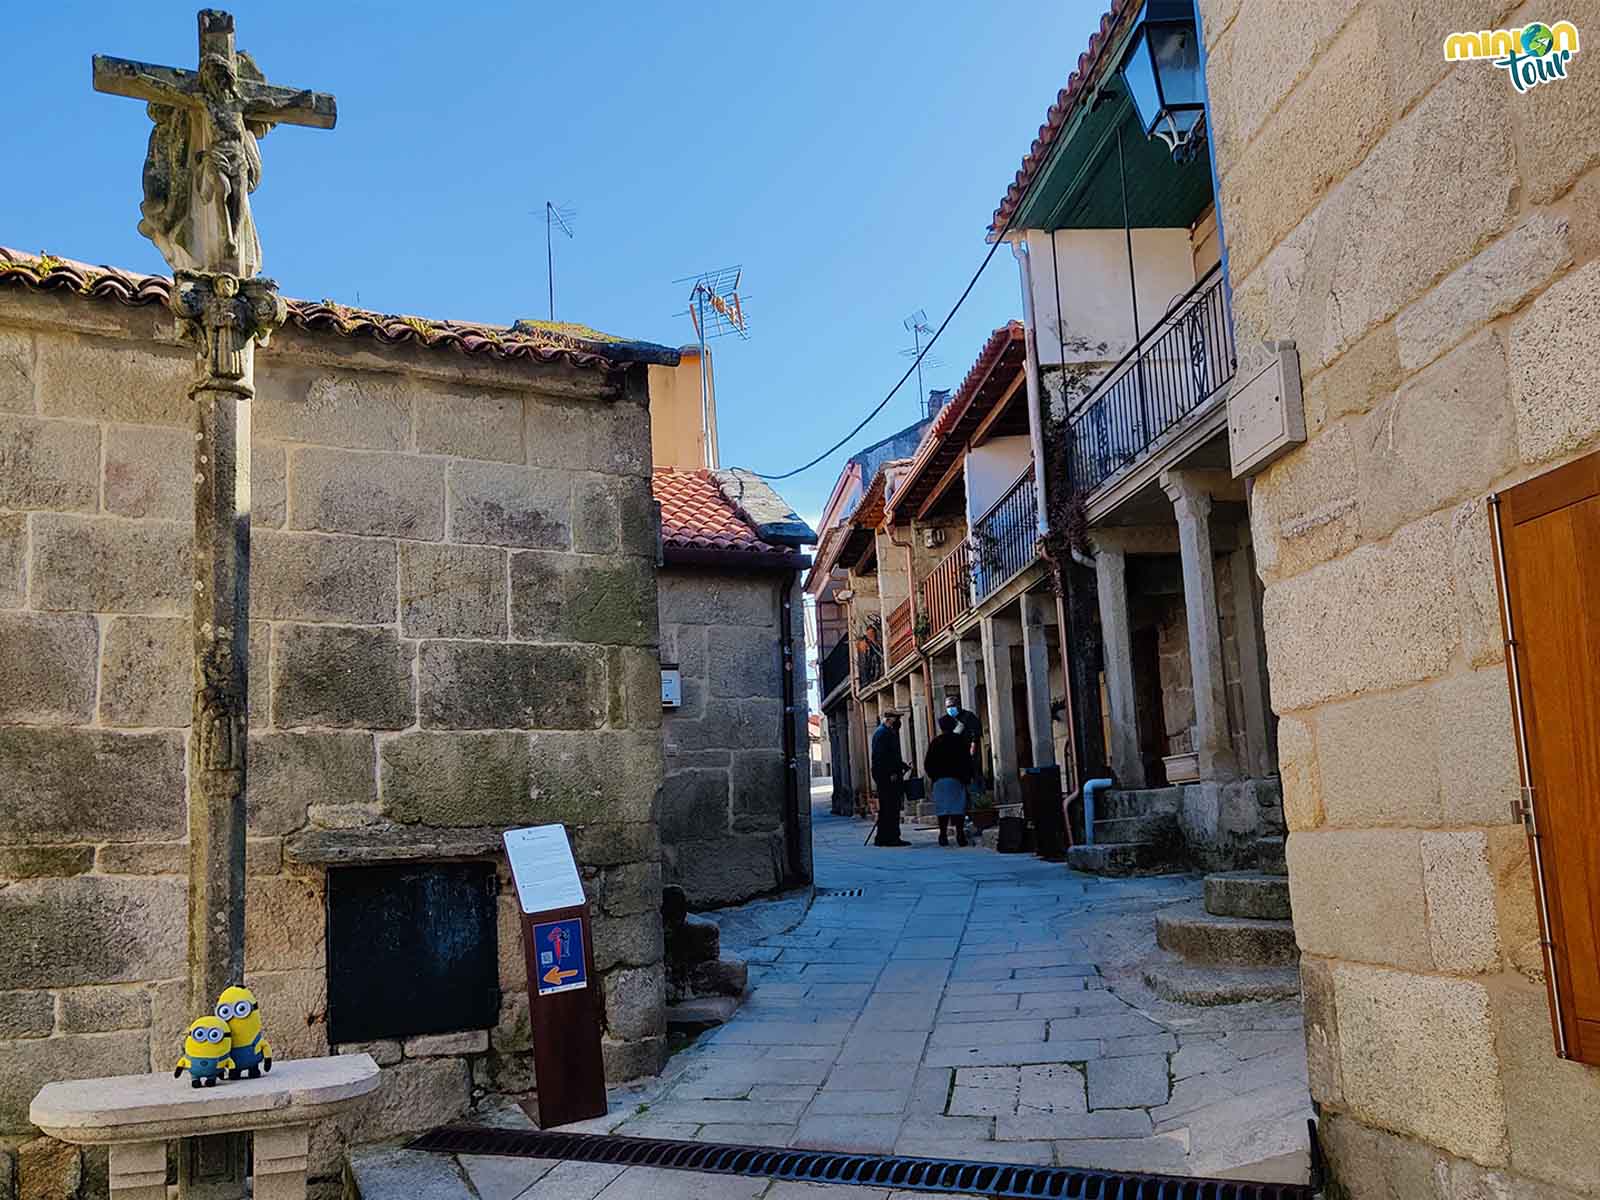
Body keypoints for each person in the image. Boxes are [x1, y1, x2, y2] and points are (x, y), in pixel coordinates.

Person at [924, 714, 973, 846]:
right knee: (958, 808)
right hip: (956, 779)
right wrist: (967, 777)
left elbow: (928, 763)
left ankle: (943, 834)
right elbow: (967, 760)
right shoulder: (960, 741)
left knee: (942, 809)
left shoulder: (935, 742)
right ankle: (960, 834)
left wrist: (934, 777)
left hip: (940, 780)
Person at [869, 709, 911, 847]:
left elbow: (891, 756)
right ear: (889, 719)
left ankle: (884, 837)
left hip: (886, 774)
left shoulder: (884, 732)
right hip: (887, 776)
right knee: (891, 807)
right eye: (896, 718)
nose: (898, 721)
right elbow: (883, 757)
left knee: (888, 807)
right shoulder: (884, 734)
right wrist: (892, 772)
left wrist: (902, 765)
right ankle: (891, 837)